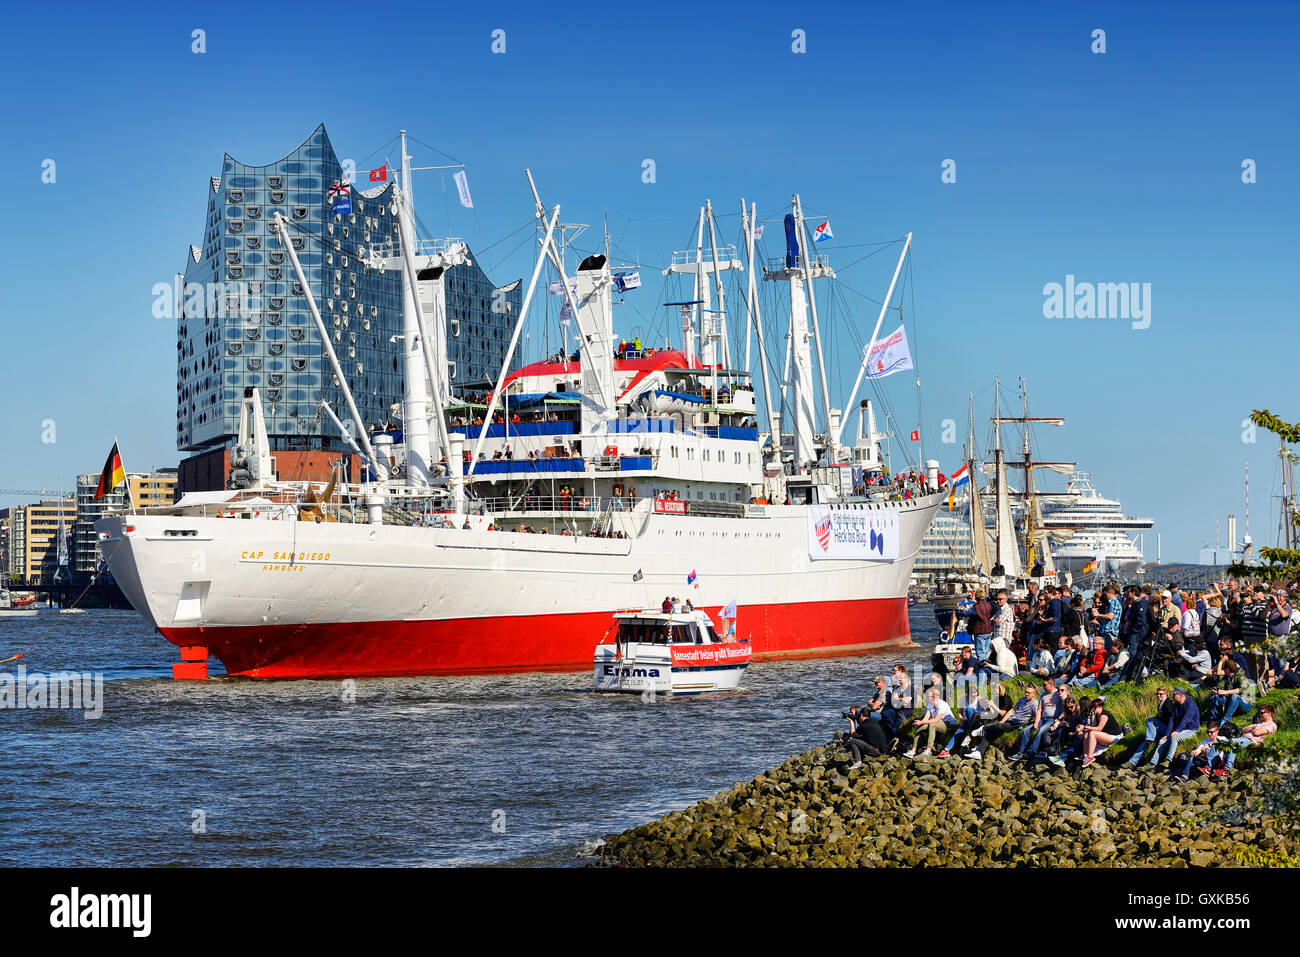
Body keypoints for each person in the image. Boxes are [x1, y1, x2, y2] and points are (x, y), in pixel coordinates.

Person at [965, 683, 1037, 760]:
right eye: (1025, 692)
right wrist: (1002, 720)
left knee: (997, 726)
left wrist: (1034, 724)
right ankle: (979, 752)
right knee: (992, 731)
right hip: (1008, 719)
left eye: (1028, 693)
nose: (1026, 694)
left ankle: (983, 729)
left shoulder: (1035, 704)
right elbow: (1012, 710)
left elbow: (1037, 715)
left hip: (1016, 723)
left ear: (1033, 694)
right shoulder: (1022, 699)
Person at [1148, 688, 1200, 768]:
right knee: (1162, 741)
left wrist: (1177, 731)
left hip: (1191, 730)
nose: (1172, 696)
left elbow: (1185, 720)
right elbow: (1171, 720)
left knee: (1175, 737)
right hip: (1180, 729)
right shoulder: (1176, 704)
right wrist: (1166, 734)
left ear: (1180, 695)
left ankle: (1168, 760)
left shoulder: (1191, 705)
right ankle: (1152, 763)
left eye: (1174, 695)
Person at [1221, 705, 1278, 775]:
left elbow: (1257, 733)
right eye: (1260, 712)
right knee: (1223, 743)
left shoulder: (1272, 725)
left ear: (1269, 714)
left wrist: (1252, 728)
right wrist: (1253, 728)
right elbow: (1243, 730)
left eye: (1262, 713)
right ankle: (1215, 767)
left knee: (1229, 742)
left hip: (1251, 741)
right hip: (1244, 739)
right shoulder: (1258, 723)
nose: (1260, 714)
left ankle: (1226, 769)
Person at [1013, 677, 1061, 759]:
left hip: (1052, 719)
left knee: (1040, 731)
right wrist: (1036, 722)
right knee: (1026, 730)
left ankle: (1032, 751)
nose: (1043, 686)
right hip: (1043, 718)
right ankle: (1020, 753)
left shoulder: (1058, 693)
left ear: (1052, 684)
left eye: (1045, 685)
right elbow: (1039, 710)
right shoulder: (1043, 694)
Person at [905, 687, 958, 757]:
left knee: (932, 725)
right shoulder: (930, 705)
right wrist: (920, 722)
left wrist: (922, 722)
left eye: (928, 696)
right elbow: (926, 718)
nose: (927, 698)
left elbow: (936, 719)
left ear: (934, 697)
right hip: (937, 722)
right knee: (921, 726)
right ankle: (913, 750)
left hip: (948, 724)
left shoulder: (942, 704)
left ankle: (928, 750)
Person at [1076, 696, 1125, 767]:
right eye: (1092, 707)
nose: (1093, 709)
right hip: (1105, 734)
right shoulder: (1096, 715)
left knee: (1092, 733)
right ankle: (1085, 755)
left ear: (1101, 706)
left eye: (1095, 707)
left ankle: (1090, 757)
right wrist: (1083, 729)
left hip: (1113, 736)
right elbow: (1093, 726)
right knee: (1087, 733)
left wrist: (1085, 727)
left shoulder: (1104, 715)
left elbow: (1098, 728)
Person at [1205, 658, 1252, 724]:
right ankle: (1213, 719)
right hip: (1231, 703)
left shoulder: (1241, 676)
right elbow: (1220, 685)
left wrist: (1226, 692)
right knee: (1214, 696)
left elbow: (1244, 689)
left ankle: (1225, 720)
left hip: (1244, 704)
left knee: (1234, 696)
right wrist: (1217, 689)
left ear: (1227, 670)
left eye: (1224, 669)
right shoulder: (1226, 677)